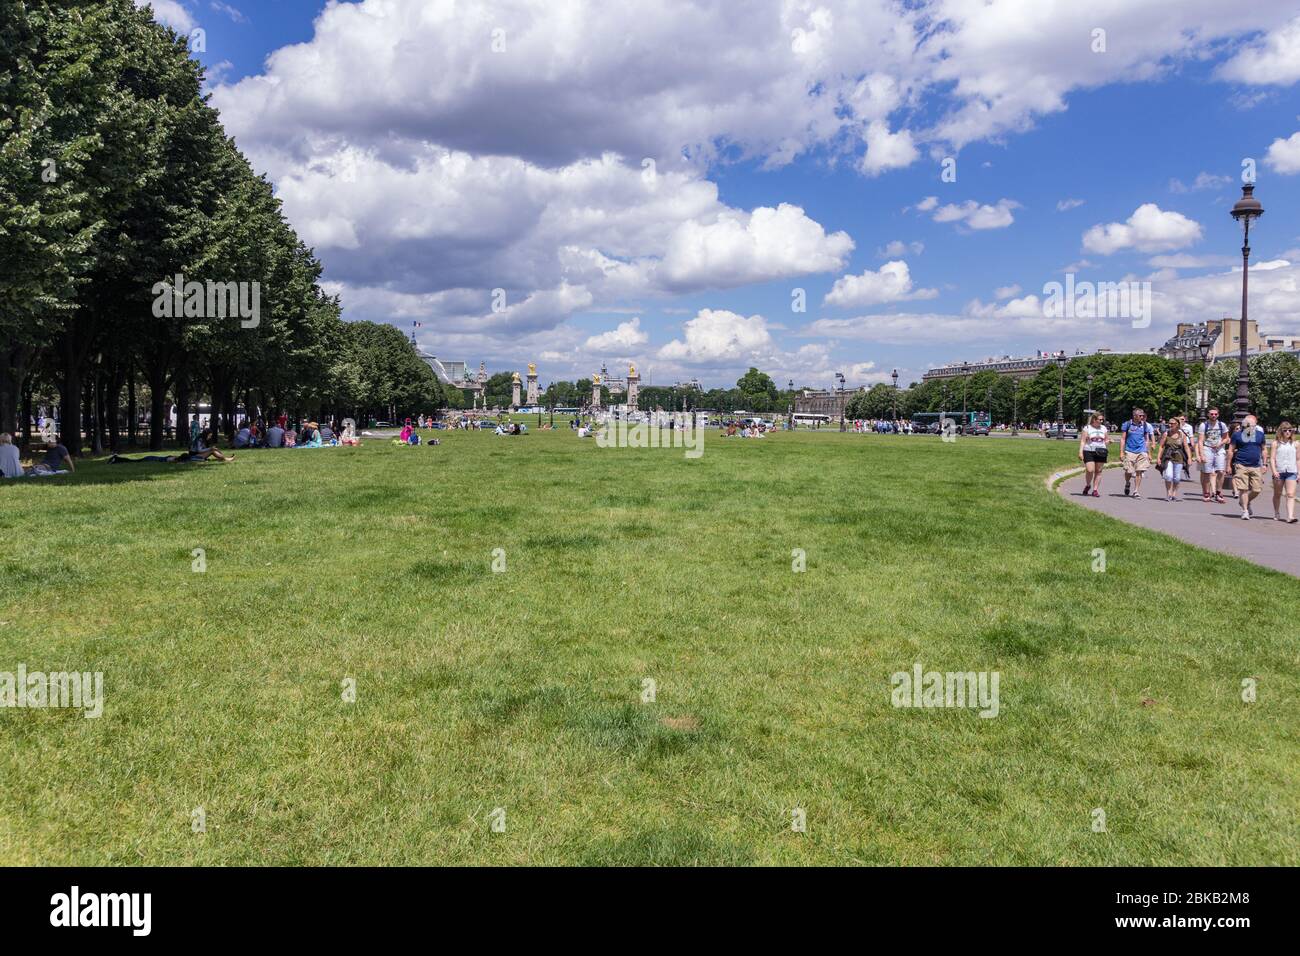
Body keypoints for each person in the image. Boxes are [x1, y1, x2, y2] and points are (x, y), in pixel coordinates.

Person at [1229, 414, 1267, 519]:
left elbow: (1264, 449)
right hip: (1241, 464)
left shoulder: (1260, 435)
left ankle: (1245, 502)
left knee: (1257, 490)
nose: (1250, 427)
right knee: (1243, 489)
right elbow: (1231, 450)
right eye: (1247, 425)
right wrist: (1228, 465)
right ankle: (1245, 511)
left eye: (1252, 425)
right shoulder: (1237, 435)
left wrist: (1265, 464)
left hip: (1256, 465)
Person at [1120, 408, 1154, 498]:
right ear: (1134, 416)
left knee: (1139, 471)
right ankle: (1127, 483)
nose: (1142, 417)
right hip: (1129, 451)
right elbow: (1123, 439)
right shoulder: (1127, 424)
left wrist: (1149, 453)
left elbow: (1146, 440)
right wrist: (1121, 452)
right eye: (1140, 415)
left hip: (1141, 451)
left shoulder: (1145, 425)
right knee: (1128, 471)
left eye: (1143, 415)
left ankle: (1136, 491)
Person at [1197, 407, 1229, 504]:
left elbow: (1226, 438)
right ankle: (1207, 493)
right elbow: (1200, 441)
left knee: (1221, 471)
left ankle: (1218, 492)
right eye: (1211, 414)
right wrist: (1202, 454)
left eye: (1215, 414)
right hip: (1208, 448)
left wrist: (1220, 444)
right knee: (1207, 472)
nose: (1213, 415)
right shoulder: (1204, 425)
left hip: (1219, 449)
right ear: (1208, 415)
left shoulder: (1222, 425)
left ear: (1218, 415)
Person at [1269, 421, 1298, 523]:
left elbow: (1298, 459)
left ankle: (1290, 516)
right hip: (1279, 471)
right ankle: (1277, 512)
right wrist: (1274, 471)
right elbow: (1272, 458)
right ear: (1281, 431)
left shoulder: (1296, 444)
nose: (1288, 432)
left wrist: (1299, 473)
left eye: (1290, 430)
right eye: (1285, 430)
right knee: (1278, 493)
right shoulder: (1275, 443)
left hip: (1292, 471)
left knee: (1290, 494)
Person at [1156, 416, 1189, 501]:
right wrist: (1158, 458)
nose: (1170, 425)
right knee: (1168, 476)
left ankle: (1174, 494)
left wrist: (1189, 458)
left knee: (1177, 478)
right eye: (1169, 423)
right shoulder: (1166, 434)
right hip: (1168, 457)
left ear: (1177, 424)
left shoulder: (1182, 435)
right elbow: (1161, 446)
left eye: (1172, 423)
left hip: (1179, 458)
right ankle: (1168, 494)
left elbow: (1186, 447)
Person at [1078, 412, 1108, 496]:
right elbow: (1083, 441)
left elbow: (1106, 440)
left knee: (1098, 471)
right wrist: (1080, 452)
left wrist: (1109, 441)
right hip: (1088, 451)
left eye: (1102, 420)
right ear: (1094, 419)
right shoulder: (1087, 428)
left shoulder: (1104, 428)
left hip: (1101, 451)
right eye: (1100, 419)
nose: (1101, 421)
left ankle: (1095, 490)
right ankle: (1088, 485)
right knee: (1090, 470)